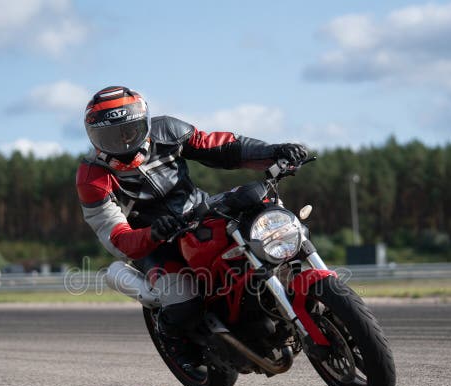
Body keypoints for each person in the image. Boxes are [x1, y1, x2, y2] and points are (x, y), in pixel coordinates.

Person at [76, 86, 307, 363]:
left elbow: (223, 147)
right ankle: (173, 339)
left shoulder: (168, 130)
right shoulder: (92, 176)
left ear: (145, 122)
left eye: (130, 130)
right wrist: (152, 233)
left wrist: (274, 151)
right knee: (185, 304)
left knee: (265, 224)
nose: (124, 141)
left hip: (199, 211)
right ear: (94, 138)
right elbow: (113, 233)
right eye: (111, 136)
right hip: (153, 241)